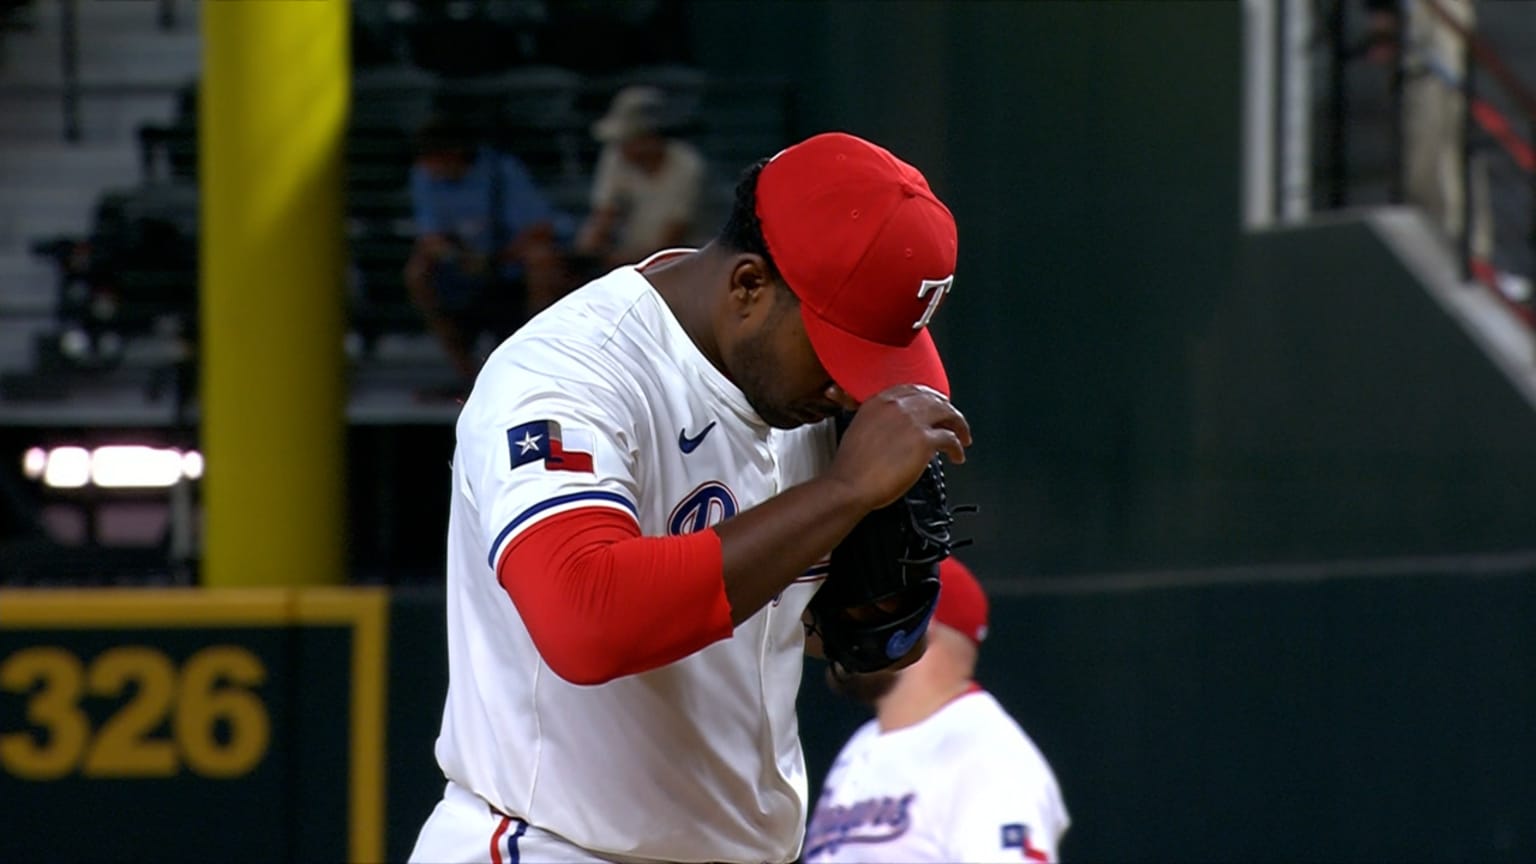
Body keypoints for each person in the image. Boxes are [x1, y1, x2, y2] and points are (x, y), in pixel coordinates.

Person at [408, 131, 969, 864]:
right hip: (552, 844)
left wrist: (876, 619)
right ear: (748, 286)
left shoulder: (804, 398)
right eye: (837, 351)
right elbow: (587, 621)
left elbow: (859, 655)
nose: (848, 387)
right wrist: (841, 494)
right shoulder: (568, 376)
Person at [805, 557, 1071, 863]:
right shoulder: (863, 743)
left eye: (860, 614)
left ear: (915, 624)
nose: (838, 631)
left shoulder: (987, 755)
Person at [404, 116, 574, 385]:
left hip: (509, 263)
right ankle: (468, 376)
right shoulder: (423, 175)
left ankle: (537, 365)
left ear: (454, 152)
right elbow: (430, 235)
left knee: (542, 259)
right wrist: (455, 256)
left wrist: (495, 259)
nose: (427, 166)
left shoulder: (501, 171)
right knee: (417, 271)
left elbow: (540, 228)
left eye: (433, 157)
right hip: (460, 264)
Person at [573, 85, 706, 268]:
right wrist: (586, 252)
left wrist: (619, 262)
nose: (621, 147)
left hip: (685, 264)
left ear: (650, 138)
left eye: (629, 139)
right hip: (628, 260)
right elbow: (604, 216)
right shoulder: (615, 156)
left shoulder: (687, 165)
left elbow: (671, 241)